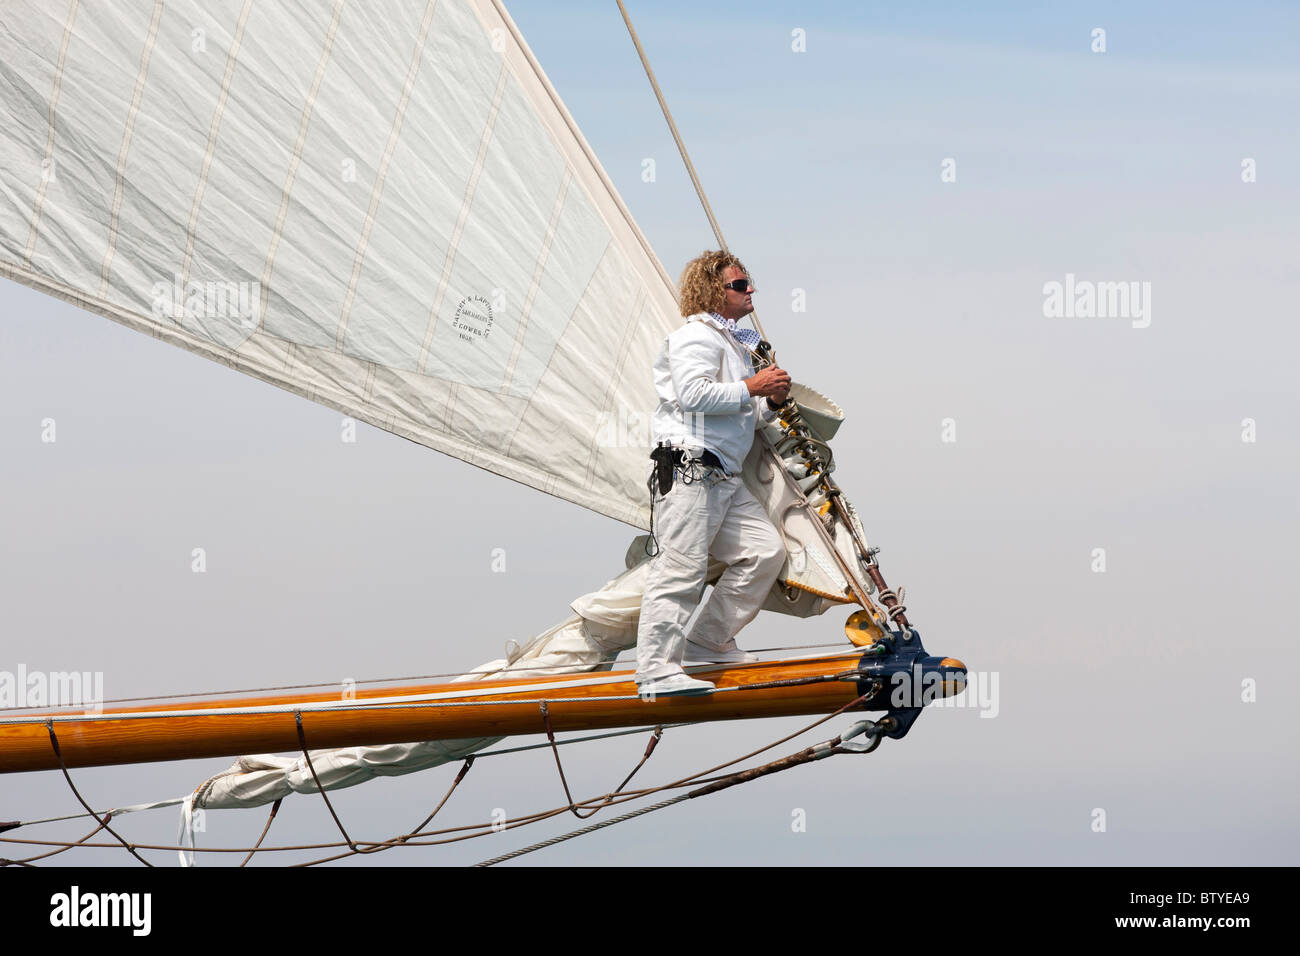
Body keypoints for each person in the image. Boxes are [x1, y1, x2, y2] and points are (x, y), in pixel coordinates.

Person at [634, 250, 792, 696]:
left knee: (763, 552)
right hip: (691, 469)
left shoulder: (732, 344)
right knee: (680, 570)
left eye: (748, 283)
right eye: (740, 285)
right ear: (713, 291)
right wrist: (752, 386)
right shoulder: (696, 337)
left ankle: (706, 640)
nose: (750, 290)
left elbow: (741, 413)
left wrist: (769, 401)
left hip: (721, 475)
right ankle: (654, 669)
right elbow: (693, 396)